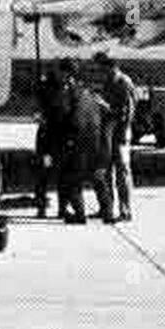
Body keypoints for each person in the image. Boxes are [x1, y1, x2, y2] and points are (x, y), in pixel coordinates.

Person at [59, 61, 114, 225]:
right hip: (97, 141)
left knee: (73, 179)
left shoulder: (70, 93)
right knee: (98, 178)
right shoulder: (90, 93)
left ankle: (80, 214)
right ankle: (108, 213)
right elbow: (106, 114)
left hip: (78, 141)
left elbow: (65, 117)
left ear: (67, 75)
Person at [94, 51, 136, 222]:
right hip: (109, 133)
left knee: (122, 171)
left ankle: (125, 210)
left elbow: (127, 112)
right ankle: (107, 208)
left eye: (101, 68)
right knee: (106, 172)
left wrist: (105, 106)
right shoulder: (109, 81)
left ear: (110, 66)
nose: (99, 72)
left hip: (119, 133)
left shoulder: (123, 82)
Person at [33, 67, 67, 217]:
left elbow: (38, 94)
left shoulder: (44, 95)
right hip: (59, 140)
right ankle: (62, 208)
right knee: (61, 176)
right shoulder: (63, 97)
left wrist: (41, 83)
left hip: (46, 141)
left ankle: (41, 208)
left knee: (43, 175)